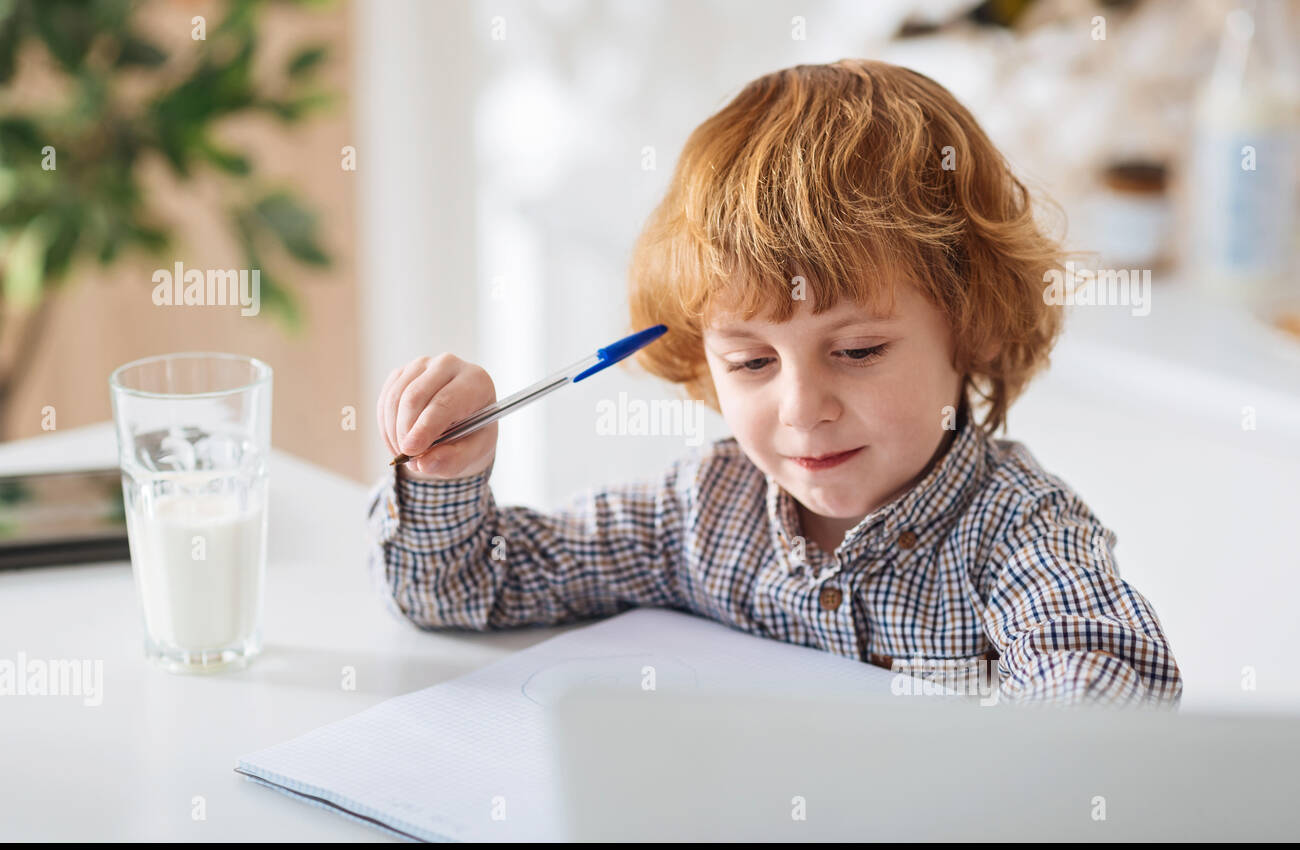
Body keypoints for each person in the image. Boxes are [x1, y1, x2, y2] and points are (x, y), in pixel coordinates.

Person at [368, 59, 1183, 707]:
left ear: (969, 328)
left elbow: (1109, 699)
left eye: (858, 351)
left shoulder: (1018, 532)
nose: (801, 410)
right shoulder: (698, 513)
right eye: (753, 362)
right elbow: (464, 589)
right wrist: (450, 475)